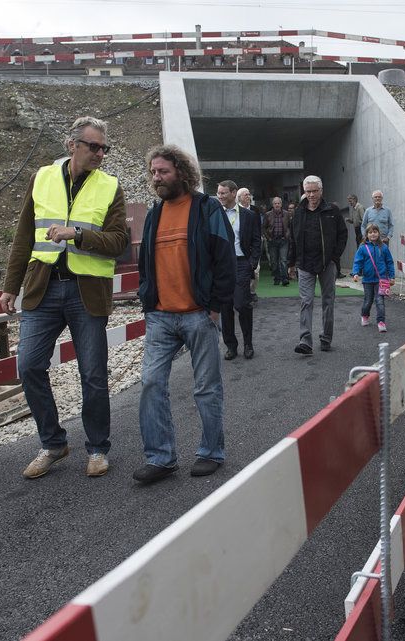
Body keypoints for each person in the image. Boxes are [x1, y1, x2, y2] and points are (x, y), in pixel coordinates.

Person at [0, 116, 129, 480]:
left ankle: (98, 448)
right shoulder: (41, 178)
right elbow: (24, 235)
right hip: (43, 287)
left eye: (105, 148)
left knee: (92, 374)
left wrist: (77, 235)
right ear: (72, 146)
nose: (101, 154)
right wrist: (11, 286)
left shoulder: (110, 187)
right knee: (28, 366)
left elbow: (119, 242)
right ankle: (53, 443)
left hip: (86, 292)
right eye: (94, 147)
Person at [134, 144, 236, 483]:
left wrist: (216, 309)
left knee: (206, 387)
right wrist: (147, 301)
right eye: (153, 172)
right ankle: (161, 457)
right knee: (150, 383)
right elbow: (144, 264)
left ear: (181, 171)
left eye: (163, 171)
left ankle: (211, 452)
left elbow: (224, 259)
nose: (157, 177)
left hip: (198, 315)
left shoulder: (207, 209)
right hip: (161, 317)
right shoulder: (154, 213)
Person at [287, 175, 347, 355]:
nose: (311, 195)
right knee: (306, 301)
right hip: (305, 264)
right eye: (308, 191)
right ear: (303, 192)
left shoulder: (332, 211)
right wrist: (291, 263)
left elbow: (342, 235)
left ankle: (326, 338)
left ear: (321, 191)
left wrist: (334, 257)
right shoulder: (298, 212)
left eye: (314, 191)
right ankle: (305, 340)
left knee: (328, 301)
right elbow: (293, 239)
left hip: (327, 264)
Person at [217, 180, 261, 360]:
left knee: (242, 304)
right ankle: (231, 346)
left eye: (223, 193)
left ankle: (248, 344)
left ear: (233, 193)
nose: (220, 196)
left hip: (242, 263)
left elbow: (257, 241)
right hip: (221, 265)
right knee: (225, 306)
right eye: (218, 193)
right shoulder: (215, 215)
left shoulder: (249, 216)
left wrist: (252, 263)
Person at [351, 223, 395, 333]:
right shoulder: (363, 248)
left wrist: (392, 276)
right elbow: (358, 262)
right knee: (368, 301)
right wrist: (355, 272)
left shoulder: (384, 247)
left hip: (381, 280)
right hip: (367, 280)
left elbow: (389, 262)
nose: (373, 234)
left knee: (380, 301)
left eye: (375, 232)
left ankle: (381, 322)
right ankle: (365, 315)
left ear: (379, 233)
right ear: (367, 235)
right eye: (370, 232)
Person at [237, 187, 261, 301]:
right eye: (245, 195)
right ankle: (243, 293)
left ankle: (252, 291)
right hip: (241, 247)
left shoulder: (255, 210)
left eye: (249, 194)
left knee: (256, 272)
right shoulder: (236, 211)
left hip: (254, 244)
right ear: (239, 197)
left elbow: (258, 227)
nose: (248, 197)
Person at [263, 196, 291, 286]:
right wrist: (268, 238)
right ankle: (276, 277)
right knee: (274, 261)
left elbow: (290, 226)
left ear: (281, 204)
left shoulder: (286, 214)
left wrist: (287, 235)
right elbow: (263, 228)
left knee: (283, 260)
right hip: (272, 240)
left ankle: (284, 279)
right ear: (273, 205)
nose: (277, 205)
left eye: (278, 203)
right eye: (275, 203)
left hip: (283, 240)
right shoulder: (268, 214)